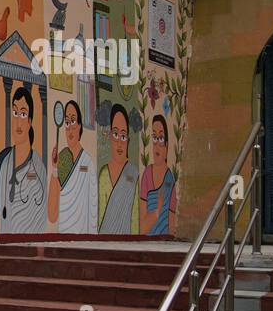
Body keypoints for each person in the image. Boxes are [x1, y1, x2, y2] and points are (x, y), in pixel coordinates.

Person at [0, 85, 47, 233]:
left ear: (30, 121)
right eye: (15, 113)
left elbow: (42, 216)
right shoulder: (1, 162)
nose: (18, 121)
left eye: (23, 114)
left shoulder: (38, 167)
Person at [46, 100, 98, 233]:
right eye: (67, 123)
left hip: (84, 236)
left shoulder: (88, 162)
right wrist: (54, 168)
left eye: (73, 121)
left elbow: (93, 209)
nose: (69, 128)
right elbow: (52, 215)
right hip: (64, 232)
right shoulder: (62, 158)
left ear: (80, 126)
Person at [99, 103, 140, 234]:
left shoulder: (133, 173)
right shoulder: (104, 174)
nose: (119, 143)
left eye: (123, 136)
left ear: (128, 140)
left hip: (127, 244)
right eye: (116, 134)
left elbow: (134, 217)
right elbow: (101, 217)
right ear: (109, 135)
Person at [139, 114, 177, 235]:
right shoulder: (147, 175)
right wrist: (157, 212)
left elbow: (171, 224)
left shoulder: (170, 179)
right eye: (154, 138)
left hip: (164, 246)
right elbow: (142, 228)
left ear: (166, 145)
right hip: (147, 245)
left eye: (160, 138)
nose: (156, 145)